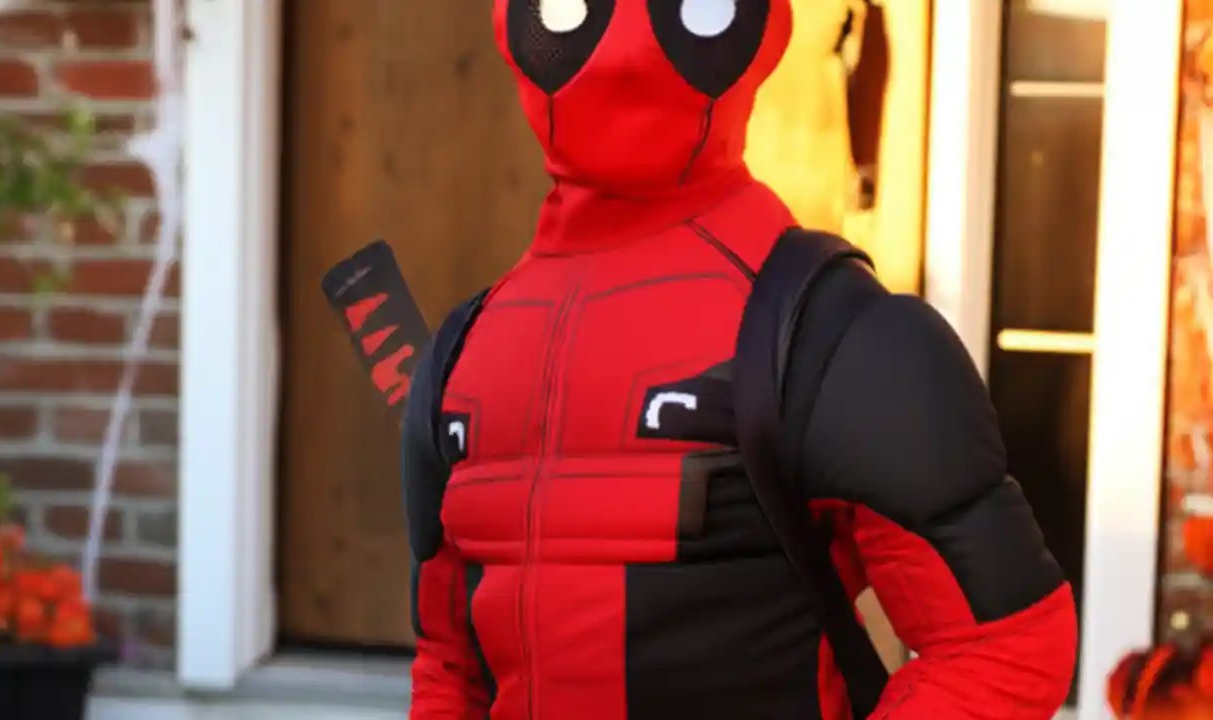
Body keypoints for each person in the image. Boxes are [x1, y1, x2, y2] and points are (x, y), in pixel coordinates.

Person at [402, 1, 1078, 717]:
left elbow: (1004, 645)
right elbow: (449, 664)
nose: (625, 52)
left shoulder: (833, 331)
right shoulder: (463, 354)